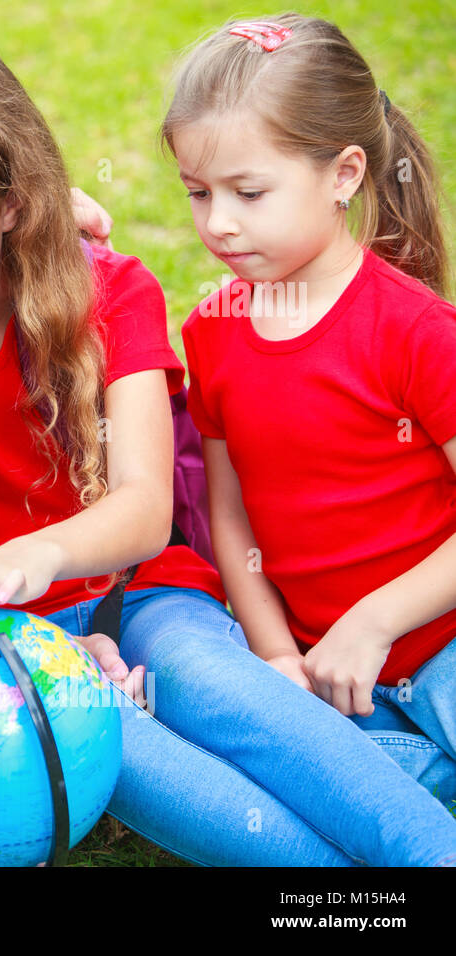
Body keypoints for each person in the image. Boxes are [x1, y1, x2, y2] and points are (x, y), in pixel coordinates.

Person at [0, 37, 456, 865]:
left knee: (218, 691)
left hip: (145, 596)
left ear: (14, 203)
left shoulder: (109, 290)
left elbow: (145, 510)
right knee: (121, 757)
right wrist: (48, 661)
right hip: (4, 653)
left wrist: (36, 557)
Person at [170, 15, 456, 806]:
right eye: (198, 192)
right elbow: (230, 516)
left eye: (248, 192)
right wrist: (274, 657)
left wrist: (376, 620)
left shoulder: (417, 333)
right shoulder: (214, 335)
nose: (217, 221)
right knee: (303, 798)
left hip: (443, 642)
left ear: (343, 174)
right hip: (329, 673)